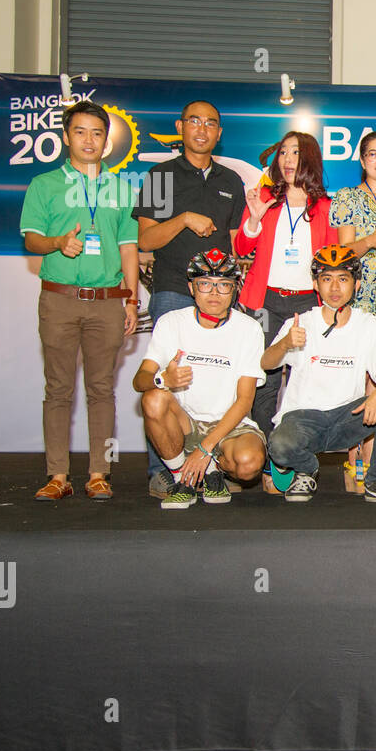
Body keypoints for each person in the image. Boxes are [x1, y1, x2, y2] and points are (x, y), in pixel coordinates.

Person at [20, 100, 139, 501]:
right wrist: (57, 243)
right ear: (66, 137)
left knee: (102, 389)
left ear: (107, 142)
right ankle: (57, 475)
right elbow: (31, 239)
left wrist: (131, 299)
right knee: (58, 389)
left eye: (97, 133)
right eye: (81, 131)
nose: (89, 140)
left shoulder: (123, 189)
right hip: (59, 299)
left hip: (107, 301)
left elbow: (128, 249)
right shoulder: (44, 185)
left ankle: (98, 474)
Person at [133, 100, 247, 499]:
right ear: (180, 127)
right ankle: (163, 470)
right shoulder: (162, 176)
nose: (202, 129)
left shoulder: (231, 181)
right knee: (164, 383)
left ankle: (211, 462)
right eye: (194, 122)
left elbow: (234, 243)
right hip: (173, 292)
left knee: (218, 378)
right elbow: (145, 240)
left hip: (219, 296)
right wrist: (183, 218)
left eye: (211, 123)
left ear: (219, 133)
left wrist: (238, 291)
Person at [264, 247, 376, 505]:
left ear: (356, 284)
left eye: (343, 279)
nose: (334, 287)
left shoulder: (369, 325)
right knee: (279, 445)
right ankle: (306, 469)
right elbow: (266, 363)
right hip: (304, 419)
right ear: (315, 284)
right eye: (326, 279)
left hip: (348, 418)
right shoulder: (300, 323)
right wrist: (286, 343)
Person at [133, 249, 267, 510]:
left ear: (234, 289)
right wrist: (163, 379)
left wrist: (205, 450)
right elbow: (140, 380)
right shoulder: (171, 322)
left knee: (250, 463)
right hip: (186, 423)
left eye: (224, 285)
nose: (214, 293)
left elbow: (245, 400)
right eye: (205, 284)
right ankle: (181, 476)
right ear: (191, 288)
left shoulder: (248, 328)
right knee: (154, 398)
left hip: (230, 425)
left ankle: (212, 469)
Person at [233, 131, 336, 437]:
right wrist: (253, 220)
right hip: (264, 301)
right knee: (264, 381)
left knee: (304, 383)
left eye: (296, 153)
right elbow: (240, 248)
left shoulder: (326, 207)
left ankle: (292, 454)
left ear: (310, 160)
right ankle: (261, 454)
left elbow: (331, 262)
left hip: (307, 305)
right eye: (283, 153)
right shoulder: (263, 199)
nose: (288, 159)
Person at [329, 130, 376, 493]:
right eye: (373, 154)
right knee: (356, 387)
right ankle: (352, 463)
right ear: (362, 161)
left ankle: (375, 469)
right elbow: (340, 256)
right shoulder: (347, 198)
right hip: (357, 305)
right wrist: (372, 241)